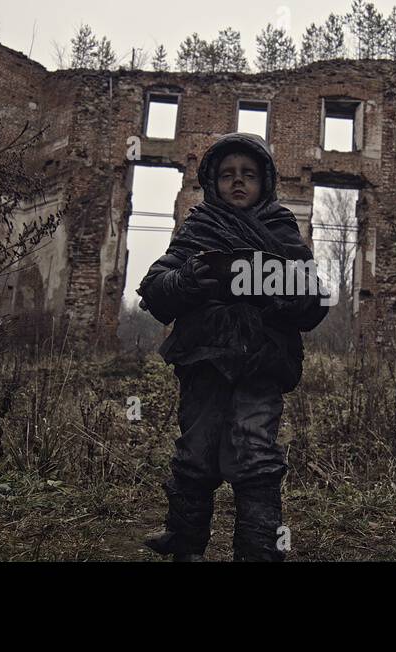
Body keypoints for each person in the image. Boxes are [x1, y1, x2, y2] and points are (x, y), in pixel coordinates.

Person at [136, 132, 329, 562]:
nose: (237, 182)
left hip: (261, 366)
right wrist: (187, 280)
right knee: (195, 451)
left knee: (256, 454)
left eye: (248, 174)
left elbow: (314, 301)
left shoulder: (282, 231)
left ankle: (259, 551)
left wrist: (276, 289)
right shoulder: (198, 227)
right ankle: (184, 544)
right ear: (211, 181)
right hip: (204, 363)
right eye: (226, 175)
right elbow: (154, 288)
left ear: (266, 181)